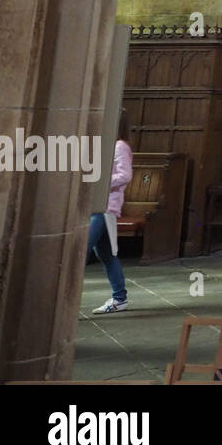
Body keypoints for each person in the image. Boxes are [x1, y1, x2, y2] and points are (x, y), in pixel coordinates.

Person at [88, 113, 133, 314]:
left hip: (105, 206)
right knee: (106, 253)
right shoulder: (108, 145)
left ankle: (61, 302)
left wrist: (99, 180)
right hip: (98, 205)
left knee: (81, 250)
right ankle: (119, 298)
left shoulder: (119, 146)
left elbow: (125, 175)